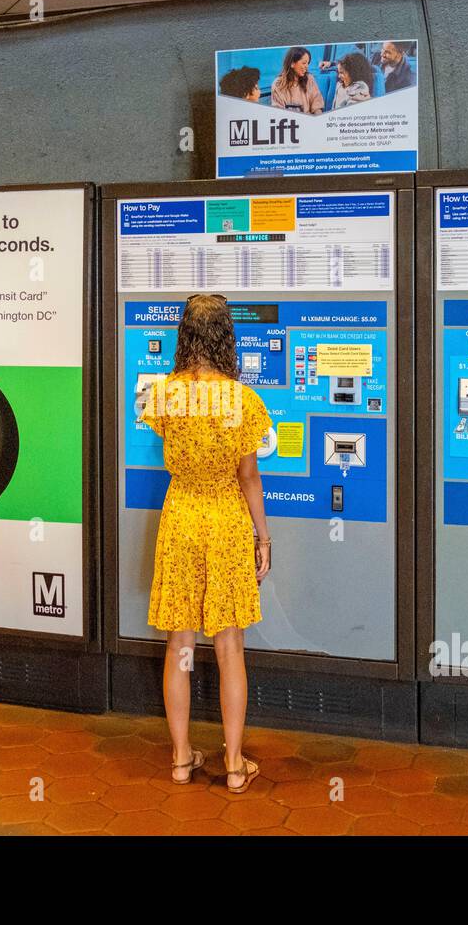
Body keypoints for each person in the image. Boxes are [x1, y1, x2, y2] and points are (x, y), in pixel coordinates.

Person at [141, 294, 272, 795]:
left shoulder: (165, 394)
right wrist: (263, 537)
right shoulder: (242, 400)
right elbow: (249, 478)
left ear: (185, 336)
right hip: (224, 518)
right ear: (226, 337)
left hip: (180, 517)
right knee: (229, 644)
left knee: (179, 644)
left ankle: (180, 758)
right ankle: (234, 764)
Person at [269, 46, 324, 115]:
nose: (307, 66)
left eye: (308, 63)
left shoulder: (309, 79)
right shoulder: (278, 84)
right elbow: (279, 113)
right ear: (292, 63)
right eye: (304, 63)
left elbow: (317, 103)